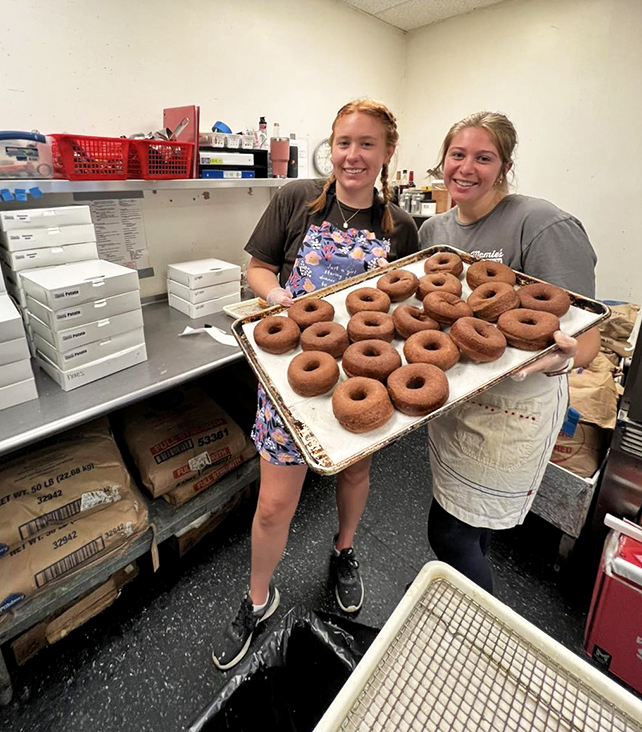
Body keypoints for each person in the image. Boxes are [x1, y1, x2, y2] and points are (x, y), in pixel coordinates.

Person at [212, 99, 419, 670]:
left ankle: (343, 551)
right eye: (343, 143)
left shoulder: (402, 228)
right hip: (290, 375)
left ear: (387, 152)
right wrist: (281, 297)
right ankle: (258, 599)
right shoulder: (295, 201)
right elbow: (255, 267)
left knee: (355, 470)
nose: (352, 156)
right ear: (332, 147)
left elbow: (409, 304)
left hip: (362, 374)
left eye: (367, 144)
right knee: (276, 504)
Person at [418, 111, 600, 594]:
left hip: (514, 407)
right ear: (443, 159)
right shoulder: (433, 231)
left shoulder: (540, 223)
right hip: (458, 396)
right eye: (458, 154)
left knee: (450, 533)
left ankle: (480, 632)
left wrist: (557, 359)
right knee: (469, 523)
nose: (466, 168)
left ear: (505, 165)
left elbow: (587, 340)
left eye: (484, 157)